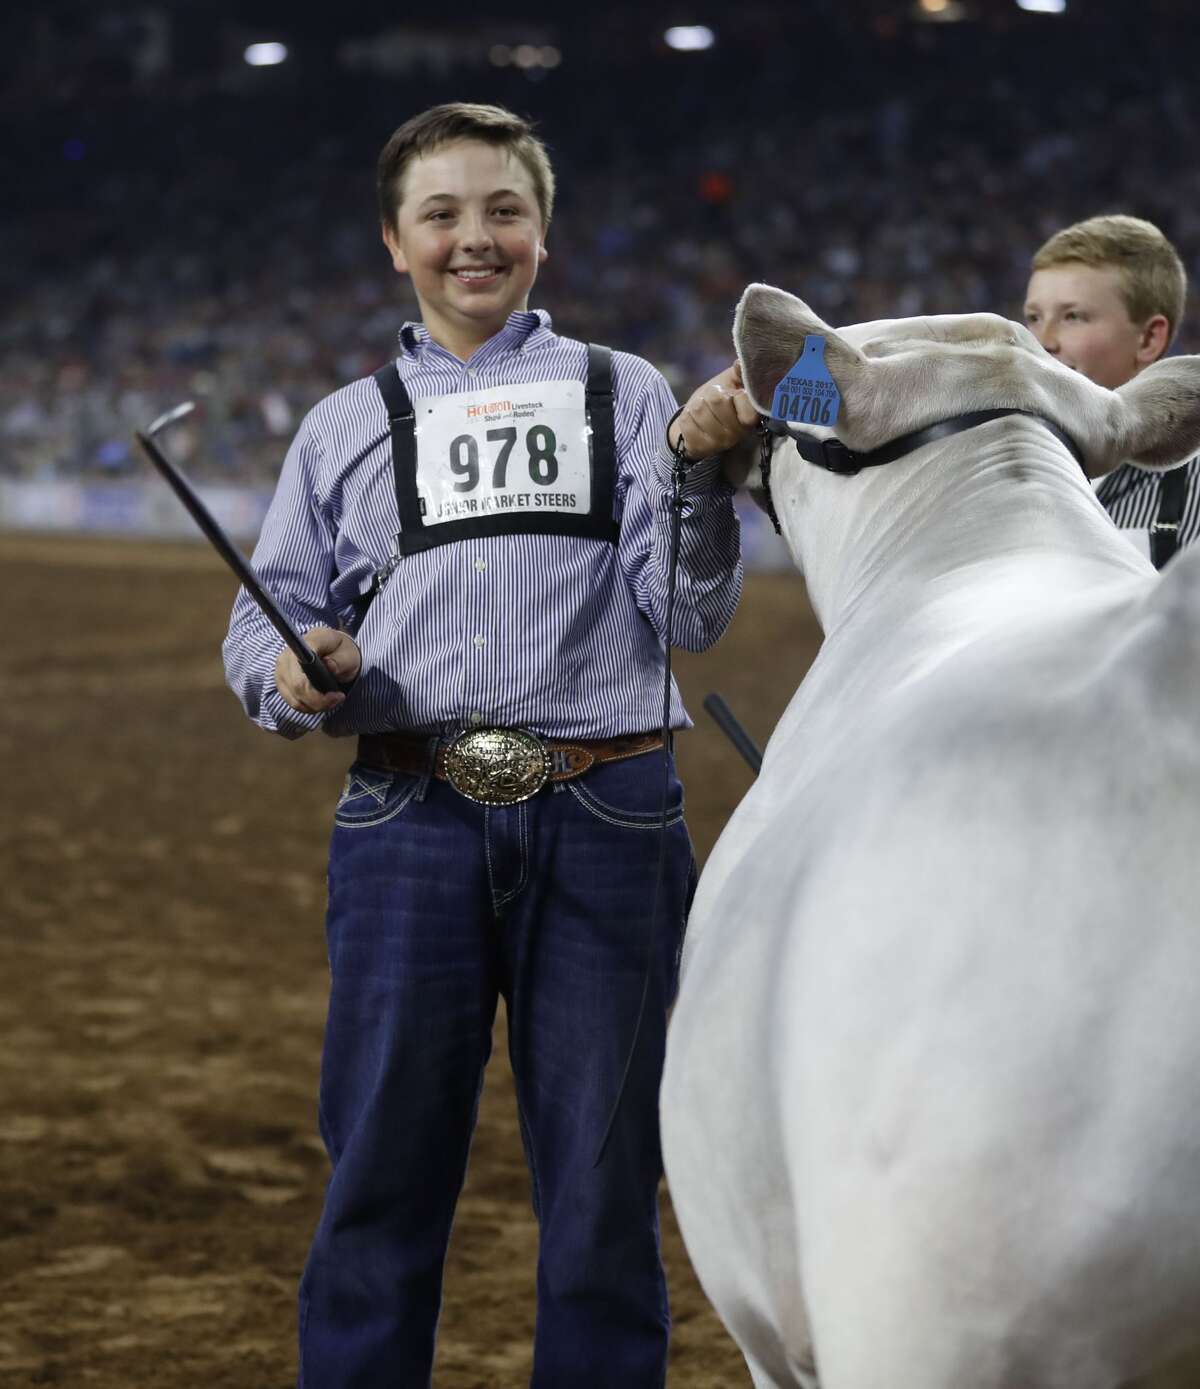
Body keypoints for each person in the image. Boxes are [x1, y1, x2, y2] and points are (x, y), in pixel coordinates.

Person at [222, 101, 758, 1388]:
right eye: (443, 215)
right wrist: (296, 674)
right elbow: (264, 620)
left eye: (504, 211)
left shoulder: (626, 393)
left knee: (601, 1182)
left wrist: (693, 470)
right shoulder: (340, 425)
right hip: (409, 818)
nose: (476, 238)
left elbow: (687, 611)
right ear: (395, 244)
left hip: (610, 812)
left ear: (543, 234)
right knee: (381, 1172)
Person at [1023, 213, 1199, 567]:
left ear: (1149, 339)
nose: (1041, 342)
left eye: (1073, 316)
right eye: (1034, 318)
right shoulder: (997, 469)